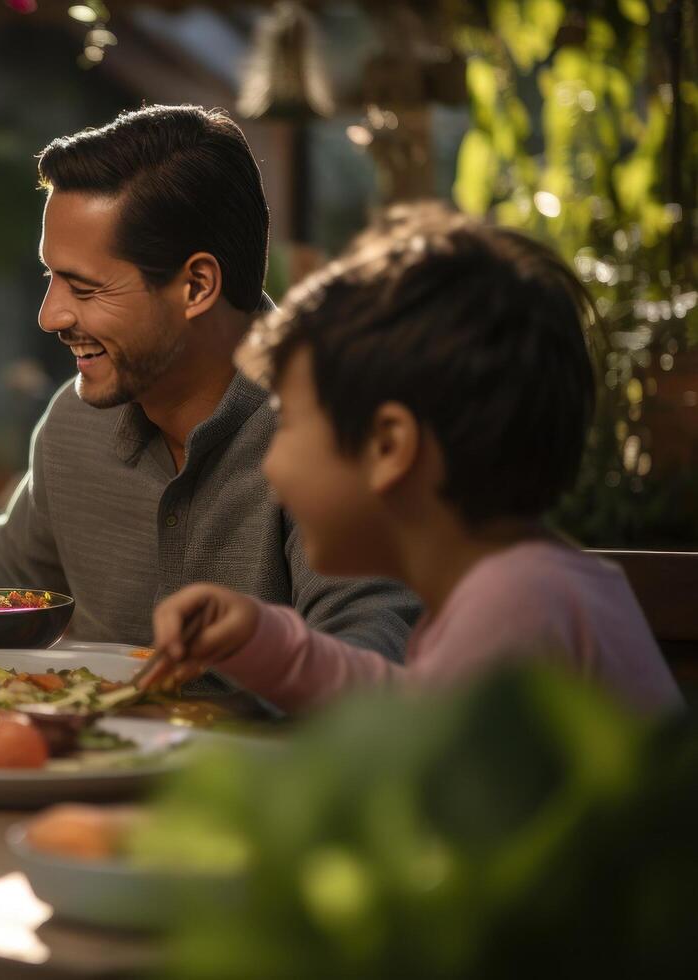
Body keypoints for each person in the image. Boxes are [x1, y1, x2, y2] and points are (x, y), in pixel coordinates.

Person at [142, 203, 682, 715]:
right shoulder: (520, 585)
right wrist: (262, 639)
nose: (270, 465)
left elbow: (419, 781)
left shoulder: (516, 605)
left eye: (288, 423)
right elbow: (402, 706)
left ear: (388, 446)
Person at [0, 104, 419, 657]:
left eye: (84, 288)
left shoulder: (334, 429)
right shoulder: (75, 423)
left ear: (197, 286)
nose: (50, 316)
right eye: (50, 276)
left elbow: (373, 656)